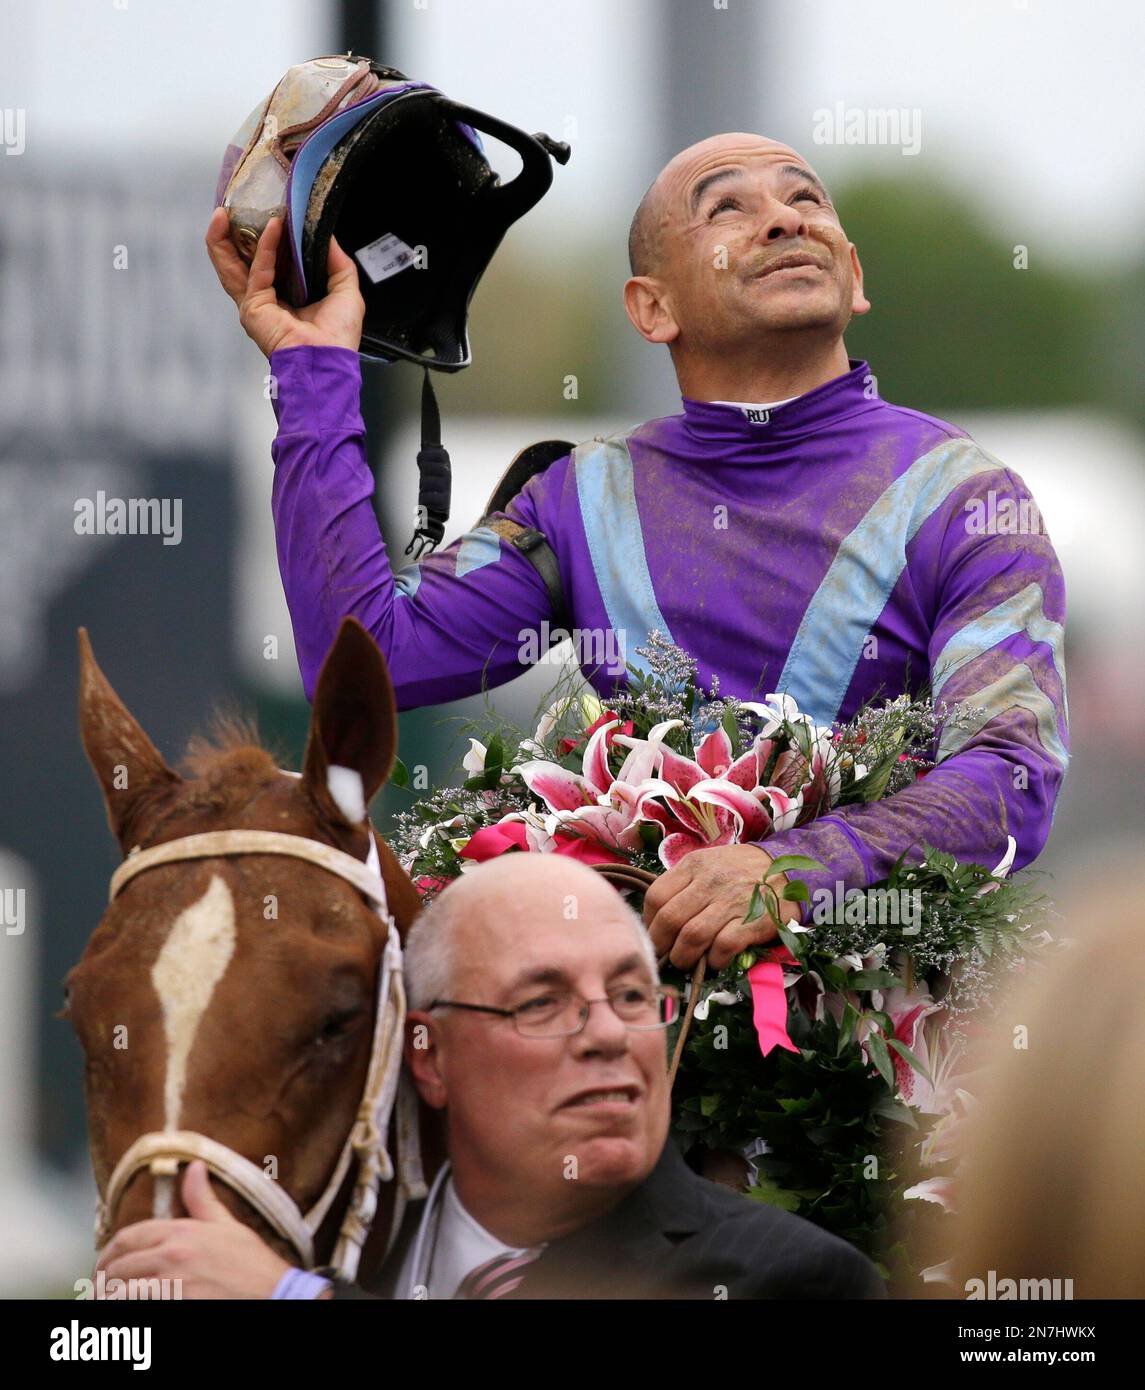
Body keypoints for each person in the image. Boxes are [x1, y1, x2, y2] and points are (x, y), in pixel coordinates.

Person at [204, 131, 1068, 974]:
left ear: (854, 274)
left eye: (805, 198)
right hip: (631, 1042)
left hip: (883, 1073)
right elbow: (365, 666)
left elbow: (1011, 775)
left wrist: (796, 870)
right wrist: (314, 371)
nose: (783, 220)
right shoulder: (580, 501)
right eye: (727, 207)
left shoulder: (969, 499)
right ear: (651, 308)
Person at [95, 853, 885, 1299]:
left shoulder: (793, 1279)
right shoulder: (333, 1249)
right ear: (427, 1055)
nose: (608, 1035)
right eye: (541, 1003)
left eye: (630, 995)